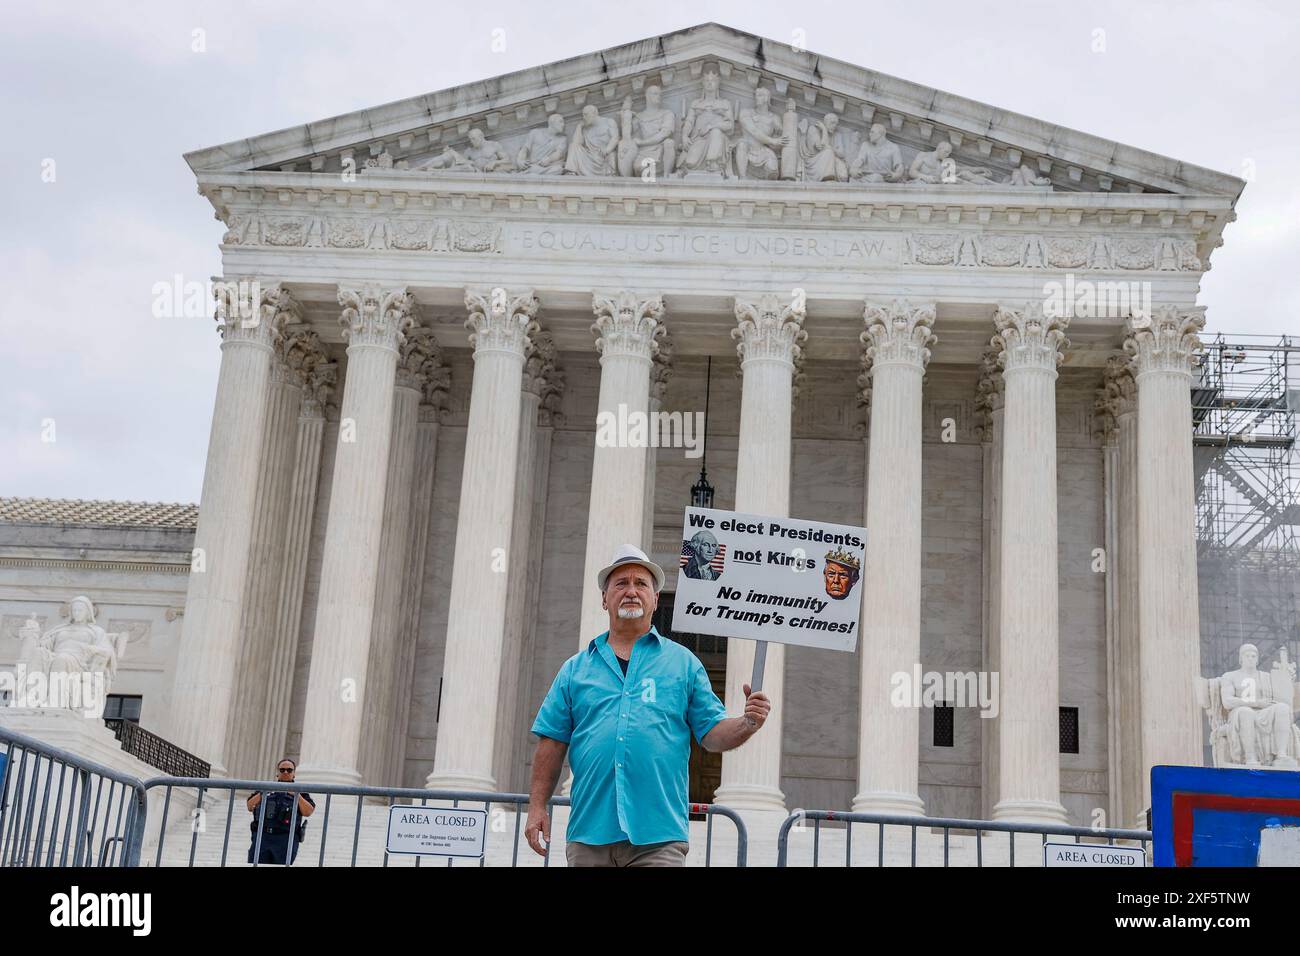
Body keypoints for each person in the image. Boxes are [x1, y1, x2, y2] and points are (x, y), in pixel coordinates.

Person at [525, 544, 771, 867]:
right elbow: (552, 741)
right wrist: (537, 806)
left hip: (659, 838)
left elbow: (711, 734)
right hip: (589, 834)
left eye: (641, 584)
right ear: (604, 599)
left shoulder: (684, 664)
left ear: (656, 599)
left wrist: (746, 723)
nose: (631, 592)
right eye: (621, 584)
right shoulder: (575, 669)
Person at [247, 759, 315, 865]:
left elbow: (308, 812)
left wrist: (296, 795)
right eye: (282, 770)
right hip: (263, 837)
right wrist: (264, 792)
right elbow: (250, 806)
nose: (285, 773)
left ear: (294, 774)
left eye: (289, 770)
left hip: (286, 839)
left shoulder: (300, 791)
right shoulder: (266, 788)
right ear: (277, 773)